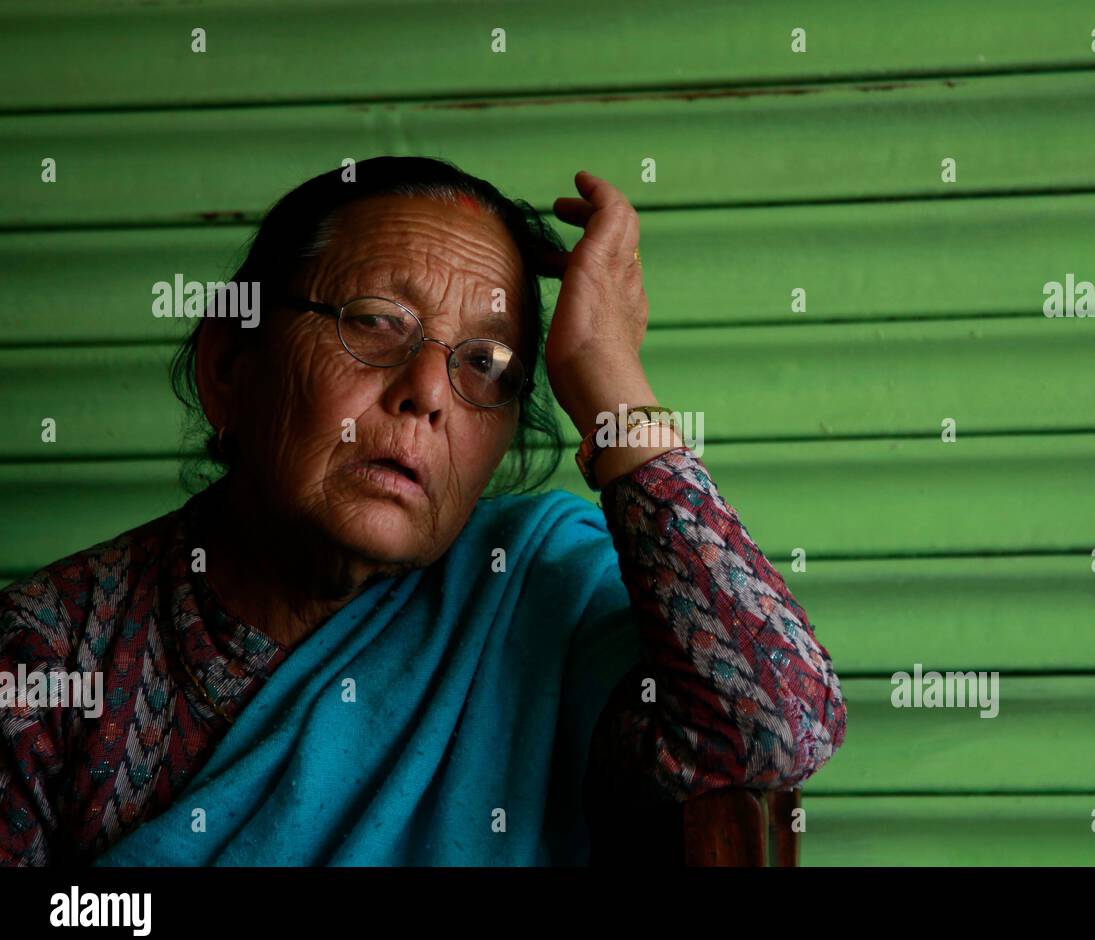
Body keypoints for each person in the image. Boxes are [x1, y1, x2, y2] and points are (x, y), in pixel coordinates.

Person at [0, 157, 847, 865]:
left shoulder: (533, 596)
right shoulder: (53, 652)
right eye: (375, 322)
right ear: (231, 367)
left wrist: (605, 373)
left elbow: (776, 725)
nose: (429, 393)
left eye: (487, 364)